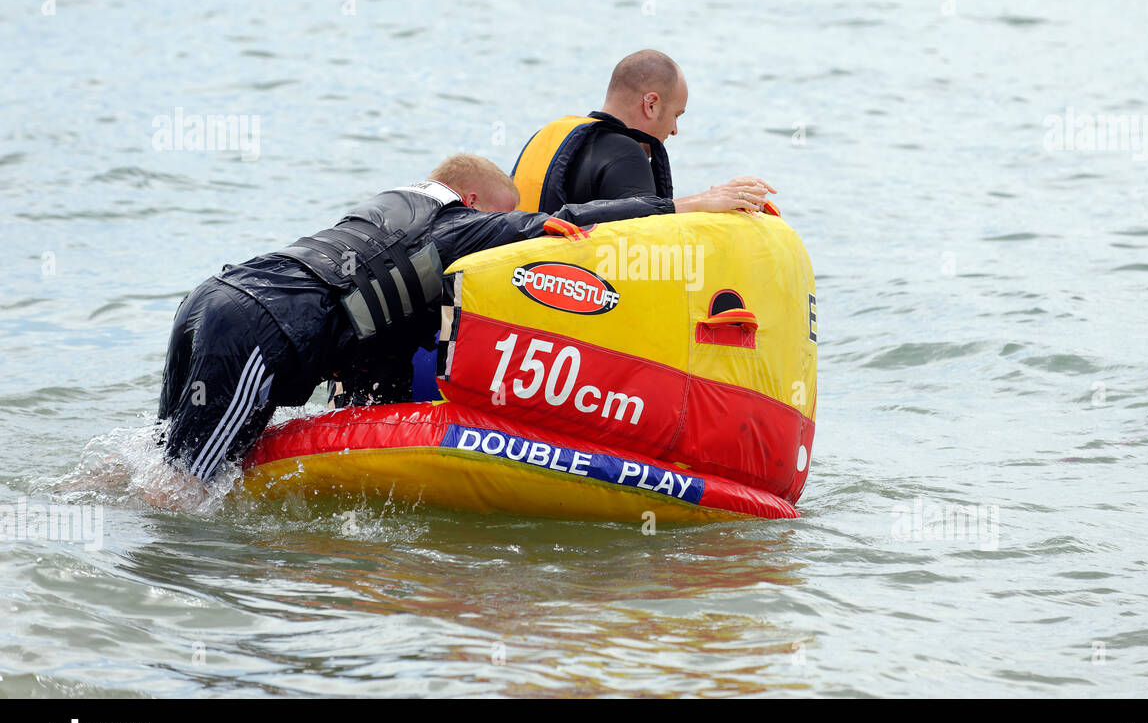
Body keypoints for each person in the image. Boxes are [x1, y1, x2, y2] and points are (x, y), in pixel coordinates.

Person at [157, 154, 772, 482]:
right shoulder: (455, 225)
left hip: (211, 298)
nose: (498, 244)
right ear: (472, 203)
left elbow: (374, 353)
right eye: (499, 219)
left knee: (165, 461)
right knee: (186, 495)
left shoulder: (385, 209)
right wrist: (688, 204)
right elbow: (576, 218)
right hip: (262, 329)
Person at [512, 49, 776, 212]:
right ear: (650, 104)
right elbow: (647, 242)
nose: (674, 130)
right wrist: (710, 202)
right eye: (676, 115)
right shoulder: (625, 153)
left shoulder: (551, 139)